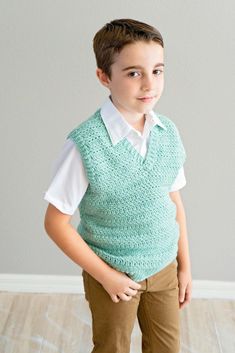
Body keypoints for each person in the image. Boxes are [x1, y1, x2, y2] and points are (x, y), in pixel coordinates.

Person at [44, 18, 192, 353]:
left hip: (164, 267)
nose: (148, 84)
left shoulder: (168, 134)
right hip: (110, 272)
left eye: (157, 71)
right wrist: (105, 275)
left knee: (167, 348)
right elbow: (55, 223)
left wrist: (185, 266)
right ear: (103, 76)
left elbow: (174, 204)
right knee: (112, 347)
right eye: (133, 73)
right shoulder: (86, 144)